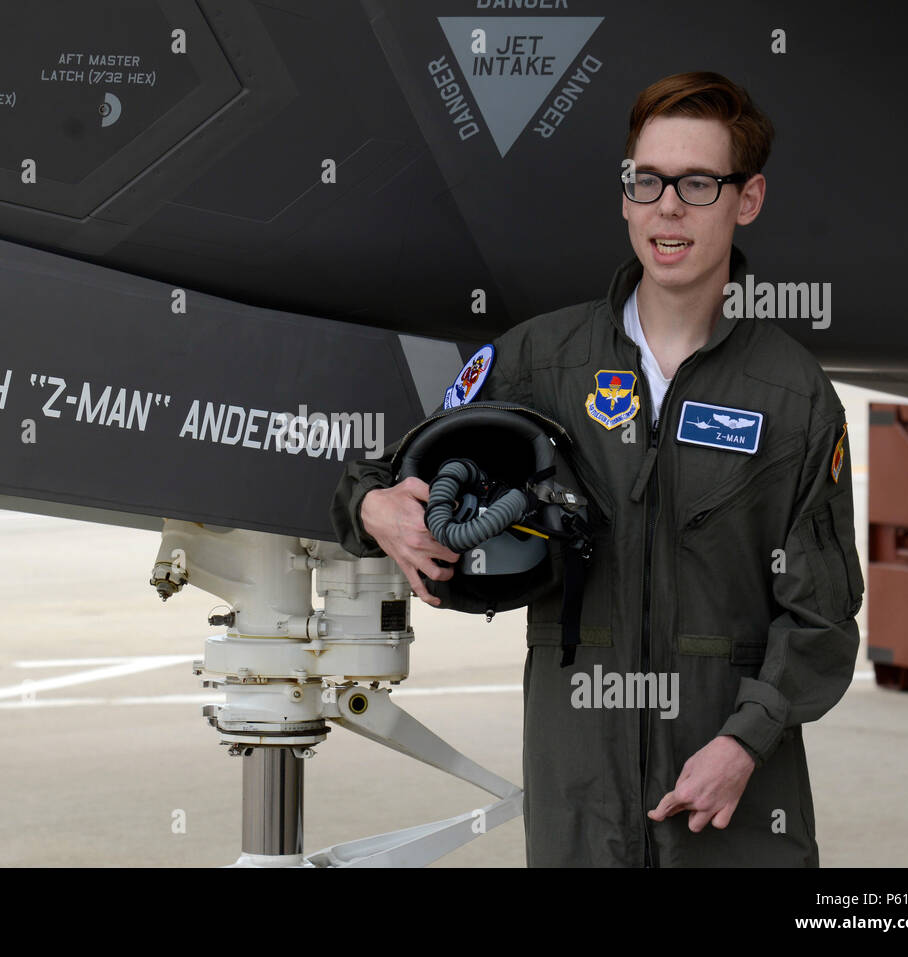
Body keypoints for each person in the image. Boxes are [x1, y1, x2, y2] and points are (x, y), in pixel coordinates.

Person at [328, 72, 863, 867]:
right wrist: (377, 509)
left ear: (746, 200)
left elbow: (822, 619)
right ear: (624, 197)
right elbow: (382, 472)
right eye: (646, 182)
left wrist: (744, 744)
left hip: (732, 807)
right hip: (578, 799)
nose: (667, 207)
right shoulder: (541, 361)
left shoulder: (791, 396)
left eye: (697, 183)